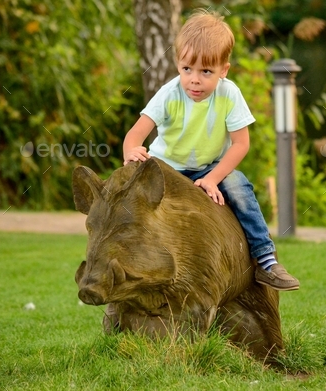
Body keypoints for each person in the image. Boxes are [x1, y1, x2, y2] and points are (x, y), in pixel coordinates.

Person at [122, 9, 299, 291]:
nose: (194, 79)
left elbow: (241, 144)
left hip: (209, 167)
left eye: (206, 71)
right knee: (133, 202)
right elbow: (135, 136)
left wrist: (213, 178)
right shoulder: (170, 93)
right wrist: (131, 151)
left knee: (240, 187)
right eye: (186, 69)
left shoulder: (229, 95)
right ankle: (124, 267)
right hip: (166, 167)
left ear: (223, 70)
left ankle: (266, 260)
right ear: (178, 64)